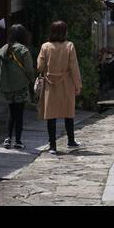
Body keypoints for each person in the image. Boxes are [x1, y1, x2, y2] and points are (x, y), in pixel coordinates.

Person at [37, 20, 83, 153]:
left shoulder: (45, 46)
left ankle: (52, 146)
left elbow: (39, 66)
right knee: (68, 112)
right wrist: (77, 84)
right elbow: (74, 67)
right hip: (66, 83)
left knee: (51, 115)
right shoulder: (69, 46)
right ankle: (71, 140)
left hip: (50, 84)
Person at [0, 24, 35, 149]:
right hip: (20, 86)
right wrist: (32, 81)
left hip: (7, 86)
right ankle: (18, 141)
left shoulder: (3, 49)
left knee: (11, 112)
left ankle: (8, 138)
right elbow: (29, 69)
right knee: (19, 114)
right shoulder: (23, 50)